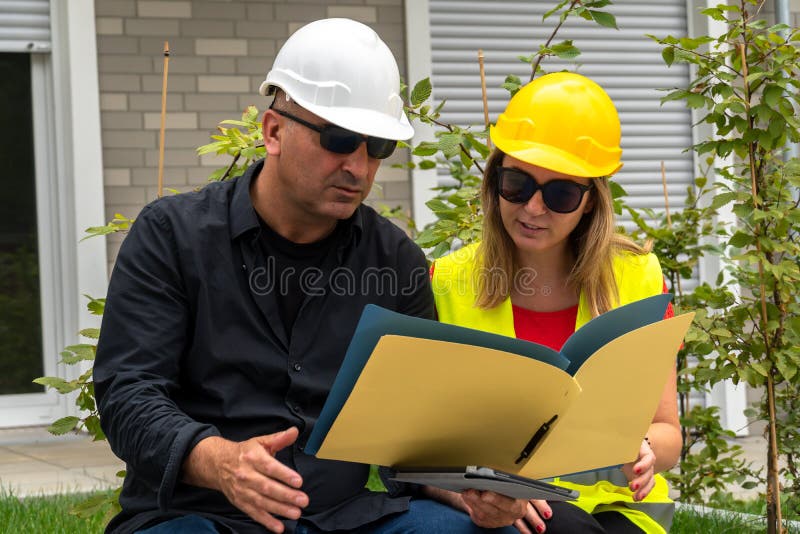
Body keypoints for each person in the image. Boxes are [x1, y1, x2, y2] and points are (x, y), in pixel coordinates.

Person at [94, 17, 528, 534]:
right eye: (341, 139)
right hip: (203, 515)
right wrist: (219, 461)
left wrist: (464, 487)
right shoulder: (171, 237)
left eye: (378, 147)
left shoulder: (394, 262)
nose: (359, 166)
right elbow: (127, 394)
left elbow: (409, 434)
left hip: (341, 520)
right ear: (273, 131)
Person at [431, 72, 682, 534]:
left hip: (618, 511)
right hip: (502, 510)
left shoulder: (637, 277)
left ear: (590, 201)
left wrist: (646, 449)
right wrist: (482, 493)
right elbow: (420, 443)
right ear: (494, 180)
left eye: (561, 193)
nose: (532, 208)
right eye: (517, 183)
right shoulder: (447, 280)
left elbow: (667, 431)